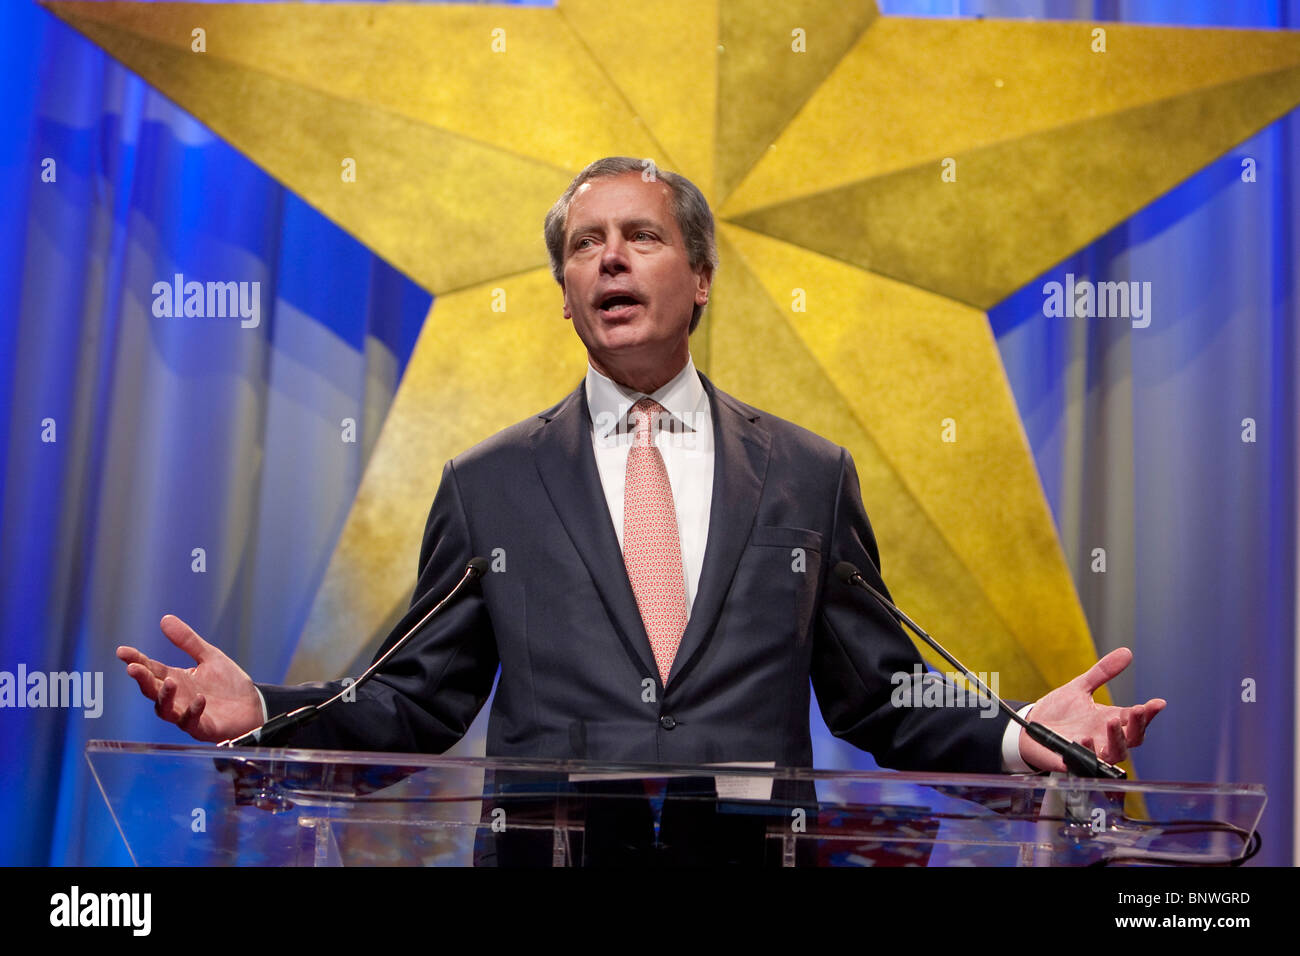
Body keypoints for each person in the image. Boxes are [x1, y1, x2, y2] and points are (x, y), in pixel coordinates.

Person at [118, 157, 1164, 817]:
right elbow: (412, 696)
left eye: (641, 235)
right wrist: (267, 709)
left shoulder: (806, 474)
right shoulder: (489, 483)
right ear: (566, 297)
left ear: (699, 278)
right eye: (584, 245)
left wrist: (1022, 733)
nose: (609, 258)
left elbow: (880, 692)